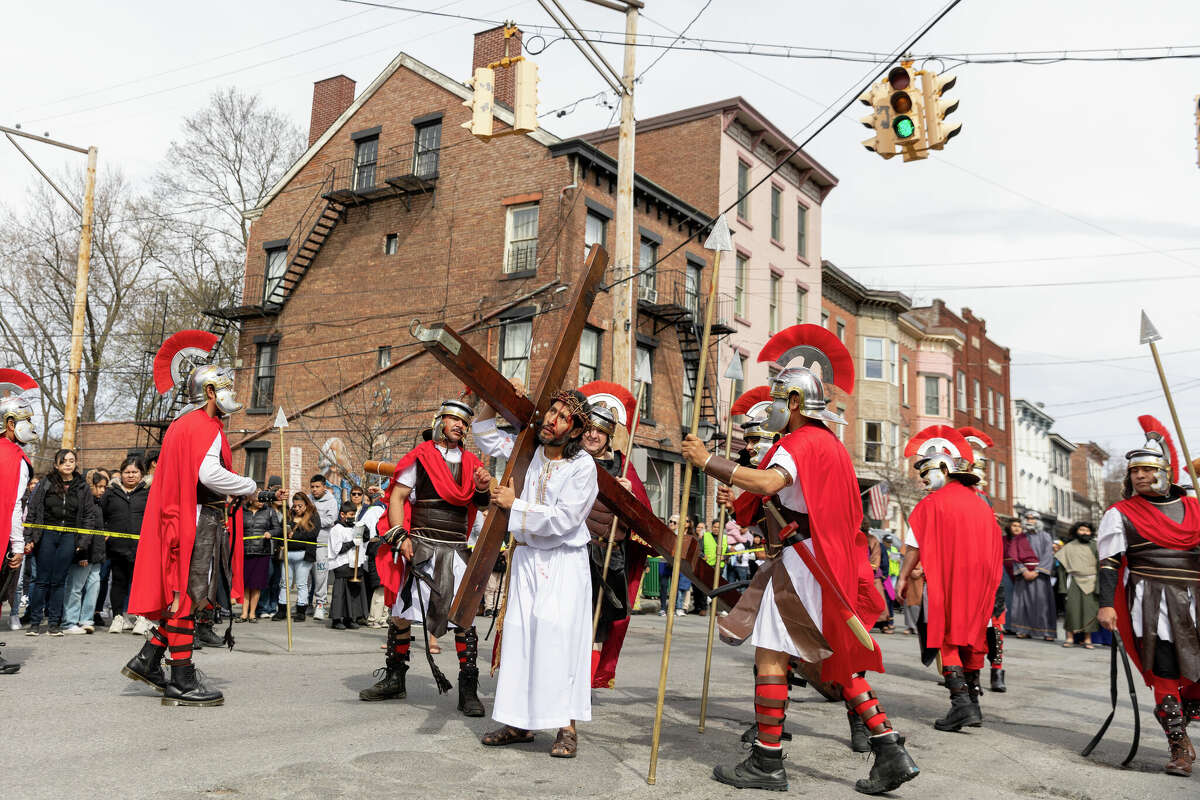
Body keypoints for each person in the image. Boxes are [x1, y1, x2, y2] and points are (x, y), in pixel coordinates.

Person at [683, 324, 918, 794]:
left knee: (772, 654)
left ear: (793, 402)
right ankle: (889, 747)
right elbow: (779, 497)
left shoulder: (799, 442)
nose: (772, 405)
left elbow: (770, 484)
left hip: (804, 564)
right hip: (823, 559)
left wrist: (708, 460)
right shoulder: (830, 444)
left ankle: (768, 762)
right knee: (835, 661)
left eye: (777, 397)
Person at [120, 333, 259, 707]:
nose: (229, 393)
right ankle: (180, 678)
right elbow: (209, 475)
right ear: (210, 392)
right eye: (225, 387)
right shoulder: (203, 426)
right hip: (197, 519)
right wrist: (248, 484)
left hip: (187, 516)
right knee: (190, 598)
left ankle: (148, 659)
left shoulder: (184, 425)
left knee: (188, 596)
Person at [472, 387, 597, 758]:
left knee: (561, 641)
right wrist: (497, 394)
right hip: (526, 558)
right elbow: (482, 431)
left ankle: (567, 726)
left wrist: (516, 504)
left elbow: (565, 519)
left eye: (561, 417)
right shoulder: (527, 449)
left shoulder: (582, 466)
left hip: (563, 562)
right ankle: (519, 722)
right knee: (520, 637)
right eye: (551, 412)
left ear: (574, 431)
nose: (550, 420)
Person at [359, 399, 492, 718]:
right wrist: (399, 535)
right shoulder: (417, 458)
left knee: (464, 619)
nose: (459, 425)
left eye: (465, 422)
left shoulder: (473, 463)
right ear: (439, 421)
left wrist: (484, 488)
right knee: (401, 615)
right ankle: (395, 677)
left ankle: (468, 689)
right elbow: (397, 498)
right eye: (453, 419)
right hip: (421, 547)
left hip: (456, 549)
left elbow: (483, 505)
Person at [1097, 417, 1200, 777]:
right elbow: (1109, 563)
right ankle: (1179, 745)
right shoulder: (1120, 513)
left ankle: (1184, 723)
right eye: (1134, 470)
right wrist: (1107, 603)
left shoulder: (1195, 507)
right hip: (1150, 601)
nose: (1139, 475)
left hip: (1195, 599)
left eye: (1147, 469)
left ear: (1166, 472)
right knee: (1165, 670)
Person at [896, 426, 1003, 732]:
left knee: (945, 635)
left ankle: (961, 704)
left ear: (943, 469)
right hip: (984, 582)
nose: (923, 482)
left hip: (951, 578)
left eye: (926, 475)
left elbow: (914, 546)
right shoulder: (981, 502)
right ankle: (974, 703)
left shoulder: (931, 504)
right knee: (975, 637)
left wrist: (903, 577)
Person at [577, 381, 654, 689]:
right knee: (572, 624)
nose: (592, 435)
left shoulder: (624, 468)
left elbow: (643, 516)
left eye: (600, 430)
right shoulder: (569, 460)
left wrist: (629, 495)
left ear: (609, 435)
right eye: (588, 429)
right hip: (576, 554)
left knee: (600, 628)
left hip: (611, 557)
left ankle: (583, 687)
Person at [25, 449, 100, 636]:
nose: (68, 464)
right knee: (42, 580)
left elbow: (89, 516)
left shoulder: (82, 486)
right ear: (56, 464)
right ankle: (35, 623)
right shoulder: (46, 483)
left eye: (72, 461)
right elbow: (33, 510)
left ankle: (53, 624)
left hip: (69, 537)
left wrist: (82, 541)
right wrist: (29, 538)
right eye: (64, 461)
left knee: (59, 582)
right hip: (47, 536)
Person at [0, 370, 38, 671]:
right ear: (10, 424)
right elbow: (13, 505)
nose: (30, 427)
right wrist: (16, 543)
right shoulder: (14, 457)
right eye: (25, 421)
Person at [101, 456, 149, 634]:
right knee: (118, 582)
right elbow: (101, 514)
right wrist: (105, 531)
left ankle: (142, 618)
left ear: (141, 474)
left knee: (141, 584)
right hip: (117, 547)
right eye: (127, 472)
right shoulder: (111, 492)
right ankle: (118, 617)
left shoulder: (148, 492)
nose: (130, 476)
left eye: (134, 472)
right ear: (121, 474)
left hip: (142, 548)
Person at [1007, 512, 1057, 640]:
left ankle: (1047, 631)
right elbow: (1014, 555)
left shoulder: (1046, 536)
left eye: (1033, 518)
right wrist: (1024, 571)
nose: (1030, 521)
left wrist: (1037, 571)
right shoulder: (1019, 538)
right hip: (1023, 574)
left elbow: (1048, 555)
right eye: (1027, 518)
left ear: (1038, 521)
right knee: (1022, 603)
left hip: (1040, 574)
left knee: (1042, 603)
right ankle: (1023, 629)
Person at [273, 493, 318, 621]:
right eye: (295, 506)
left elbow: (313, 534)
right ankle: (282, 609)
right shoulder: (289, 515)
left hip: (304, 554)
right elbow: (281, 531)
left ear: (306, 505)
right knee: (284, 582)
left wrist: (295, 536)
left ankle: (301, 610)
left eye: (300, 506)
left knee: (301, 583)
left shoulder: (313, 516)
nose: (297, 509)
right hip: (287, 553)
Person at [239, 487, 279, 623]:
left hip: (262, 552)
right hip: (245, 551)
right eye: (258, 497)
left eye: (263, 498)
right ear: (250, 497)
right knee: (245, 584)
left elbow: (277, 528)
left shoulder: (269, 511)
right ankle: (243, 613)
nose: (261, 501)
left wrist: (271, 533)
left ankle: (252, 613)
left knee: (256, 584)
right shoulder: (242, 511)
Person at [1058, 522, 1099, 649]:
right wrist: (1062, 588)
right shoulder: (1068, 547)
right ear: (1076, 531)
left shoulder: (1096, 547)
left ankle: (1087, 639)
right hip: (1074, 581)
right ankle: (1069, 637)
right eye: (1081, 530)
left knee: (1090, 611)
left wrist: (1098, 586)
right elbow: (1061, 570)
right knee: (1071, 610)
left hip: (1092, 581)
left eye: (1087, 530)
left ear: (1091, 532)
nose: (1084, 532)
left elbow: (1101, 567)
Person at [328, 501, 367, 629]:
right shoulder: (336, 529)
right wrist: (352, 542)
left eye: (354, 514)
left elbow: (364, 539)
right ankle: (336, 619)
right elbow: (337, 549)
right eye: (350, 514)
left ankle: (350, 618)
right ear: (342, 515)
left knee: (352, 592)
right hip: (342, 563)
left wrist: (364, 531)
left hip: (355, 563)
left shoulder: (356, 527)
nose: (353, 516)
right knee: (341, 592)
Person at [308, 474, 338, 621]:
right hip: (307, 541)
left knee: (320, 574)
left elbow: (331, 519)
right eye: (312, 487)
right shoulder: (307, 499)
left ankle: (320, 604)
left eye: (317, 487)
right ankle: (305, 603)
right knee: (306, 575)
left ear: (324, 487)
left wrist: (313, 522)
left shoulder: (331, 501)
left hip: (321, 542)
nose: (314, 490)